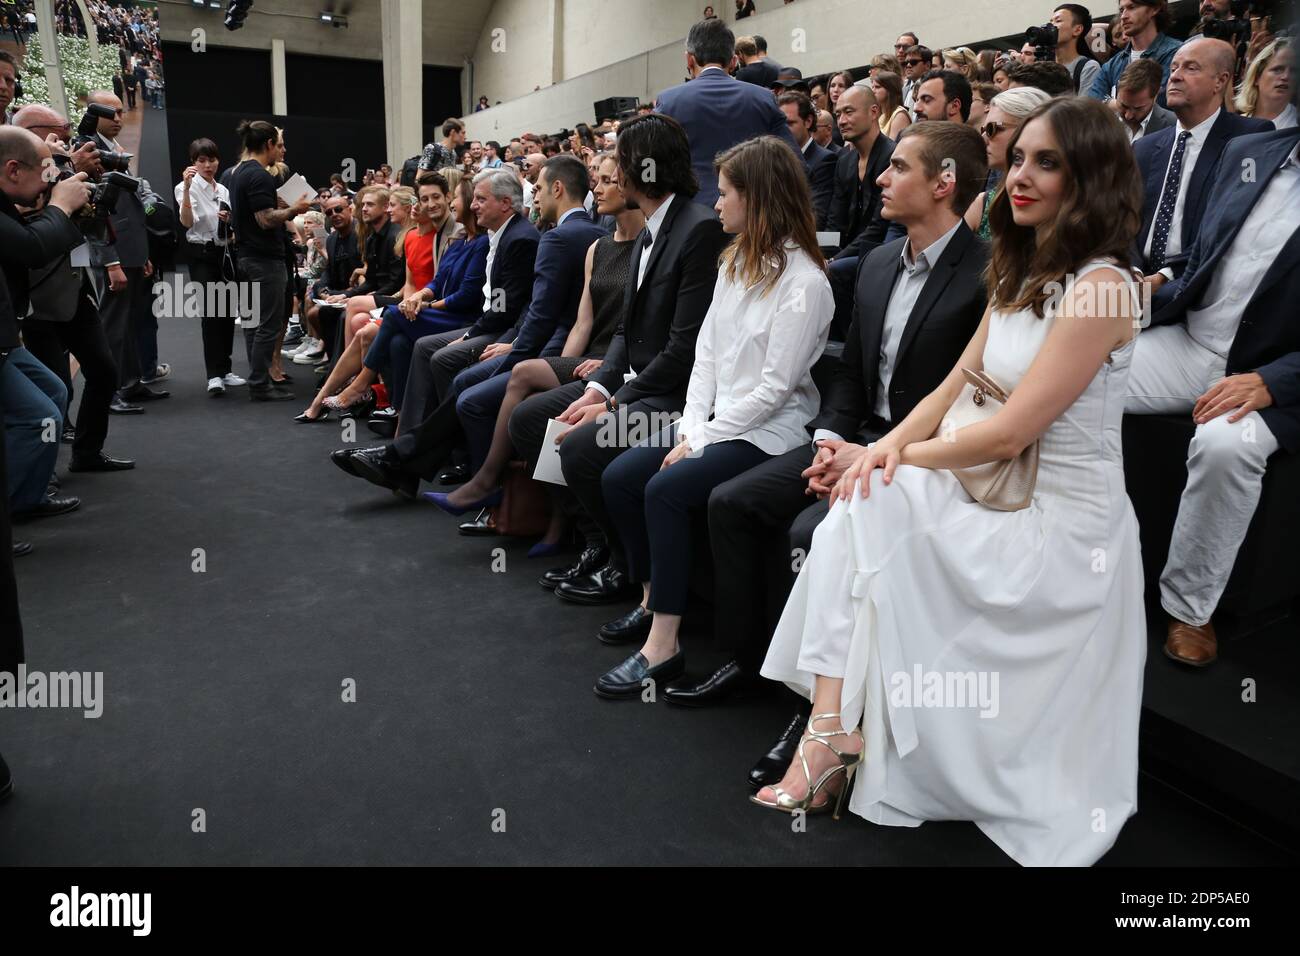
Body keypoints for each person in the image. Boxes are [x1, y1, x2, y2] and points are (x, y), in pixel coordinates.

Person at [757, 96, 1146, 867]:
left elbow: (1010, 432)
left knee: (871, 495)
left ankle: (827, 739)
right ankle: (829, 733)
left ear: (1092, 177)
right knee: (861, 504)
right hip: (990, 485)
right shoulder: (1020, 265)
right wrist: (880, 454)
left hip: (1062, 524)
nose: (1019, 176)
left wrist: (888, 459)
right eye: (1018, 158)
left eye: (1047, 162)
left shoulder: (1104, 286)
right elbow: (951, 388)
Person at [703, 123, 989, 735]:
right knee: (733, 502)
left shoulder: (986, 272)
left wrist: (872, 452)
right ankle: (748, 662)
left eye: (900, 167)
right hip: (854, 436)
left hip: (925, 454)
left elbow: (969, 404)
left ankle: (819, 714)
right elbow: (850, 376)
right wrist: (830, 440)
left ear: (944, 184)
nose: (881, 176)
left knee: (810, 531)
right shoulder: (880, 263)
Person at [592, 136, 833, 698]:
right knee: (621, 476)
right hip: (714, 421)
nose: (716, 203)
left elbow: (774, 390)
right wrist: (693, 427)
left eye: (726, 194)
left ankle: (663, 645)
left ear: (759, 197)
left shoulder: (805, 283)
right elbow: (704, 357)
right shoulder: (733, 263)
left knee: (665, 488)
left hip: (769, 433)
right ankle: (655, 598)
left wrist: (699, 439)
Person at [508, 113, 727, 606]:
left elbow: (684, 349)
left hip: (677, 397)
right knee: (531, 419)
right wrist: (596, 391)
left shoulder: (699, 230)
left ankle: (625, 567)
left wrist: (613, 404)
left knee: (581, 447)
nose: (608, 177)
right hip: (638, 383)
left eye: (620, 165)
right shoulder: (649, 230)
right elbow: (626, 331)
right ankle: (600, 543)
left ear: (645, 169)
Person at [1130, 117, 1300, 667]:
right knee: (1082, 373)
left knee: (1225, 447)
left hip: (1274, 376)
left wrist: (1276, 381)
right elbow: (1202, 251)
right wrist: (1147, 289)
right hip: (1192, 340)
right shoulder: (1250, 151)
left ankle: (1190, 610)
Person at [427, 152, 644, 543]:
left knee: (514, 379)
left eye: (607, 180)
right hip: (584, 353)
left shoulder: (648, 249)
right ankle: (526, 504)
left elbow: (630, 328)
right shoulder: (598, 246)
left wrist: (596, 364)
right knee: (524, 379)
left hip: (616, 361)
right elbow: (582, 322)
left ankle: (516, 498)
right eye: (597, 179)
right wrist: (562, 364)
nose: (597, 187)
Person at [1134, 38, 1273, 284]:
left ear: (1220, 81)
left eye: (1191, 68)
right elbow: (1123, 220)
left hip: (1201, 282)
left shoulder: (1250, 139)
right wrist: (1133, 273)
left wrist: (1164, 278)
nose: (1175, 76)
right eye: (1174, 67)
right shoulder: (1143, 148)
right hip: (1136, 280)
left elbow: (1234, 223)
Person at [654, 18, 797, 208]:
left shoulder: (669, 101)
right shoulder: (764, 98)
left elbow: (650, 165)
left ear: (689, 59)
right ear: (734, 61)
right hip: (754, 213)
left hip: (690, 215)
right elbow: (795, 164)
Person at [226, 120, 310, 400]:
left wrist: (278, 203)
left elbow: (256, 210)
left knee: (253, 323)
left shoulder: (238, 172)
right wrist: (295, 209)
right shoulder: (259, 175)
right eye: (279, 145)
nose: (282, 151)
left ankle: (257, 379)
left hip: (245, 257)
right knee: (269, 324)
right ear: (269, 144)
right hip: (263, 260)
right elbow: (265, 219)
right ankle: (260, 384)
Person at [175, 137, 245, 396]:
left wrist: (227, 220)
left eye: (212, 160)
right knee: (211, 313)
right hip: (201, 254)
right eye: (201, 160)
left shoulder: (223, 189)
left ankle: (225, 369)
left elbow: (230, 225)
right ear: (193, 163)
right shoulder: (186, 187)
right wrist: (186, 189)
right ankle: (213, 375)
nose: (208, 165)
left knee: (227, 312)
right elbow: (186, 222)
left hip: (224, 252)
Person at [826, 84, 894, 337]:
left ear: (873, 112)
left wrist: (832, 261)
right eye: (838, 114)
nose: (842, 121)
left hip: (880, 249)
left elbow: (878, 227)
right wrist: (820, 253)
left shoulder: (892, 156)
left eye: (849, 112)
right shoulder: (844, 161)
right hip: (847, 251)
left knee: (833, 272)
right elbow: (834, 221)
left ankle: (850, 344)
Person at [964, 87, 1053, 240]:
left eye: (992, 129)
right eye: (983, 129)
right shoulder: (981, 205)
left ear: (1028, 127)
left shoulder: (1067, 210)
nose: (984, 138)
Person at [1087, 0, 1183, 104]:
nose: (1123, 16)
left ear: (1155, 8)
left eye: (1132, 7)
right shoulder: (1112, 65)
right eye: (1121, 10)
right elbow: (1092, 103)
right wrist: (1117, 104)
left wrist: (1111, 103)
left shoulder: (1177, 54)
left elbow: (1159, 102)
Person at [778, 92, 836, 229]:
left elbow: (816, 216)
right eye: (780, 123)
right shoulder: (776, 161)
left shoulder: (825, 160)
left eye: (790, 123)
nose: (783, 130)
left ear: (808, 121)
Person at [1113, 58, 1176, 143]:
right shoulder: (1104, 123)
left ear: (1155, 96)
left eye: (1138, 108)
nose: (1128, 116)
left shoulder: (1174, 126)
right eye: (1123, 106)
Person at [1238, 39, 1295, 130]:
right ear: (1257, 77)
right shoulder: (1237, 124)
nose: (1286, 76)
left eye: (1293, 71)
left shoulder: (1296, 125)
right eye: (1277, 69)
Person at [1052, 4, 1101, 95]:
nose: (1051, 26)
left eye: (1058, 21)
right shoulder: (1044, 65)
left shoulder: (1088, 67)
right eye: (1051, 21)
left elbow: (1084, 104)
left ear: (1077, 30)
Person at [870, 71, 911, 141]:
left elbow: (893, 146)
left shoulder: (899, 115)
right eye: (872, 87)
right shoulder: (880, 114)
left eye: (877, 87)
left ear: (890, 89)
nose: (873, 91)